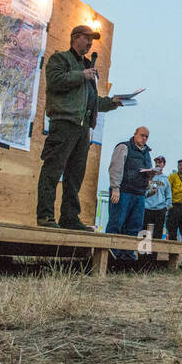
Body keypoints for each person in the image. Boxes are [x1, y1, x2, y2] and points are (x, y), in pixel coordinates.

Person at [36, 24, 122, 229]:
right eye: (87, 37)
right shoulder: (60, 59)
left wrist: (112, 102)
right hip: (64, 123)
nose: (91, 42)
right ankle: (45, 216)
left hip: (83, 128)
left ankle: (69, 218)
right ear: (75, 37)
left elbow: (91, 101)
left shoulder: (87, 68)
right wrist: (81, 75)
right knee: (52, 170)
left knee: (75, 176)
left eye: (93, 39)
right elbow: (55, 81)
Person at [105, 126, 155, 259]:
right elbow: (116, 167)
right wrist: (115, 188)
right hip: (124, 191)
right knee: (117, 223)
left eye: (146, 136)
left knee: (134, 226)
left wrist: (149, 184)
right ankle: (111, 254)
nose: (144, 138)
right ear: (135, 134)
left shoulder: (147, 153)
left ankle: (127, 254)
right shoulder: (124, 147)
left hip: (139, 194)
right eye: (142, 135)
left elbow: (147, 172)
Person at [143, 155, 171, 241]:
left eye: (160, 162)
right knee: (144, 233)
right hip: (147, 208)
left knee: (157, 234)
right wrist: (149, 193)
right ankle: (143, 254)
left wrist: (166, 208)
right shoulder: (149, 176)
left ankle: (154, 254)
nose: (158, 164)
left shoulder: (166, 179)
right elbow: (143, 192)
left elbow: (169, 196)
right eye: (157, 162)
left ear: (164, 164)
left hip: (160, 209)